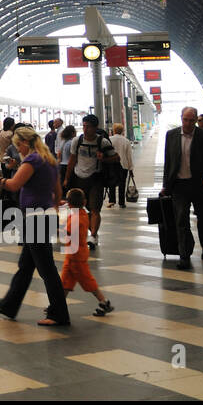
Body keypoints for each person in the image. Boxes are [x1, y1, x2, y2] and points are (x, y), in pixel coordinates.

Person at [0, 125, 71, 327]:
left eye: (18, 145)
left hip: (35, 217)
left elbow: (13, 185)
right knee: (26, 266)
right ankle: (8, 305)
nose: (18, 149)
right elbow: (58, 193)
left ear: (24, 142)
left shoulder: (32, 160)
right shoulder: (48, 160)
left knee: (47, 268)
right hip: (45, 215)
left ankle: (59, 314)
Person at [160, 106, 203, 268]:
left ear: (196, 121)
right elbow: (169, 162)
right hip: (179, 185)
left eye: (191, 120)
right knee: (181, 220)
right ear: (181, 118)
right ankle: (184, 255)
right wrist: (165, 185)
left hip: (200, 185)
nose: (187, 123)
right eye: (185, 119)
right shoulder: (171, 135)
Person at [63, 115, 116, 251]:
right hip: (78, 177)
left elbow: (116, 157)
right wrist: (67, 178)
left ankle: (93, 236)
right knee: (77, 208)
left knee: (95, 208)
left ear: (95, 128)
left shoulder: (102, 142)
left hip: (95, 179)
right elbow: (72, 160)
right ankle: (84, 230)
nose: (85, 129)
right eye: (84, 126)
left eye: (88, 126)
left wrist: (103, 158)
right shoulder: (77, 140)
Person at [60, 188, 113, 315]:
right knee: (65, 282)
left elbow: (67, 233)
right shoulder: (83, 214)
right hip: (74, 254)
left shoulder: (75, 218)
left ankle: (104, 302)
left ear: (70, 204)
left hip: (76, 256)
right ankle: (57, 304)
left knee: (87, 281)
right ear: (84, 202)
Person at [107, 123, 134, 207]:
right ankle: (122, 203)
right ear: (122, 131)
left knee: (112, 183)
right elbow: (129, 155)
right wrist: (131, 168)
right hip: (123, 165)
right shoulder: (126, 141)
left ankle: (112, 201)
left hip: (112, 165)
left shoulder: (109, 140)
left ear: (113, 130)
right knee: (122, 184)